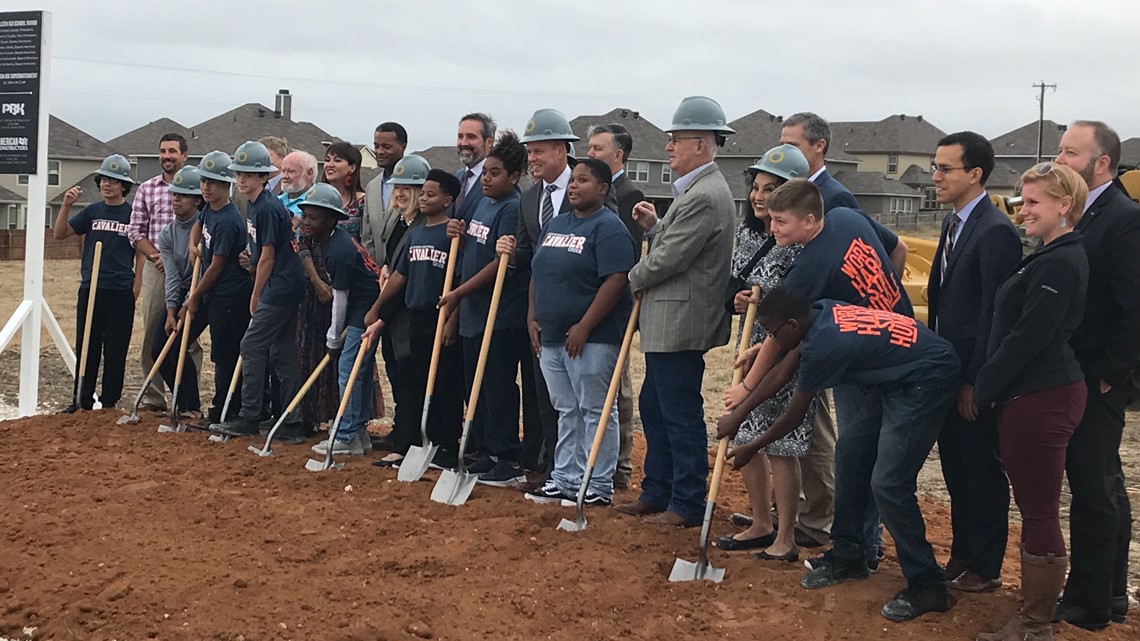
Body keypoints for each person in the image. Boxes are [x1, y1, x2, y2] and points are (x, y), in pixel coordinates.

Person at [717, 287, 960, 622]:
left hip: (926, 378)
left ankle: (927, 582)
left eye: (773, 333)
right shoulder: (819, 312)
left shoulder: (826, 343)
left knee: (888, 483)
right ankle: (848, 555)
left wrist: (752, 446)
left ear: (790, 325)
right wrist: (739, 413)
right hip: (895, 377)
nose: (771, 340)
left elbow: (793, 415)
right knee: (849, 455)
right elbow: (782, 371)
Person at [726, 178, 912, 571]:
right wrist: (874, 314)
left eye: (781, 222)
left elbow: (781, 339)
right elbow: (899, 248)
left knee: (863, 457)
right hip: (892, 338)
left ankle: (860, 549)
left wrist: (745, 386)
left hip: (878, 363)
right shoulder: (847, 216)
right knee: (861, 453)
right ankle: (860, 545)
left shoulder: (809, 265)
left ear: (809, 221)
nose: (772, 228)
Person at [777, 111, 911, 549]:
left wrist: (871, 311)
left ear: (819, 148)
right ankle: (838, 532)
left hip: (859, 347)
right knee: (836, 438)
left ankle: (861, 543)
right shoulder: (789, 197)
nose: (783, 153)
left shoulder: (835, 200)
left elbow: (896, 247)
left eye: (794, 145)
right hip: (832, 338)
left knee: (857, 446)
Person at [971, 162, 1090, 641]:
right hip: (1031, 394)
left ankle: (1035, 624)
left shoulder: (1061, 260)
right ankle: (1033, 615)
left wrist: (984, 387)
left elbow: (1029, 338)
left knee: (1039, 511)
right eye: (1022, 202)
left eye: (1034, 202)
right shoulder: (1049, 254)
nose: (1024, 211)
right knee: (1034, 506)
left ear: (1065, 205)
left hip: (1043, 397)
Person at [611, 96, 736, 527]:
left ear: (699, 145)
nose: (668, 147)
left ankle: (686, 501)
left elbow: (670, 260)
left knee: (677, 412)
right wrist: (656, 228)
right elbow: (677, 245)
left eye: (675, 139)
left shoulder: (705, 194)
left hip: (681, 321)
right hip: (672, 318)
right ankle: (658, 490)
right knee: (655, 405)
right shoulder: (700, 191)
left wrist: (630, 276)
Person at [500, 157, 636, 506]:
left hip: (593, 339)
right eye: (573, 180)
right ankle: (566, 477)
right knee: (566, 409)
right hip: (551, 336)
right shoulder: (556, 224)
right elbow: (538, 272)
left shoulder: (609, 228)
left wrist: (585, 326)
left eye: (584, 180)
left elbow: (616, 280)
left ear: (603, 188)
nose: (574, 186)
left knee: (594, 410)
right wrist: (532, 316)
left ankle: (597, 484)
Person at [926, 132, 1023, 593]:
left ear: (975, 174)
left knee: (981, 472)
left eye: (945, 168)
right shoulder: (952, 223)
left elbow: (995, 316)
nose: (936, 176)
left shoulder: (996, 231)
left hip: (973, 378)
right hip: (947, 371)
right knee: (955, 469)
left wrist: (974, 382)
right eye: (935, 166)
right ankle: (961, 554)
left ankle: (985, 567)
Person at [1053, 120, 1140, 630]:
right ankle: (1108, 594)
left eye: (1070, 152)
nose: (1060, 159)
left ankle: (1088, 601)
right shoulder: (1081, 213)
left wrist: (1111, 374)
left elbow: (1134, 306)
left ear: (1100, 163)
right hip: (1078, 371)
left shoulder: (1124, 219)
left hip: (1099, 376)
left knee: (1092, 487)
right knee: (1104, 482)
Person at [715, 144, 815, 561]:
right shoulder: (750, 235)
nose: (759, 197)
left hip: (783, 350)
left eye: (770, 189)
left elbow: (797, 307)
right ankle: (760, 521)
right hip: (748, 342)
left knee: (780, 443)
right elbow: (732, 286)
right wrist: (737, 300)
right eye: (756, 187)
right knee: (744, 432)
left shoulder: (798, 243)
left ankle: (786, 535)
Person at [438, 130, 530, 487]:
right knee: (477, 386)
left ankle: (508, 457)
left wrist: (459, 292)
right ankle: (488, 450)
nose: (488, 179)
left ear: (513, 176)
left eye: (496, 173)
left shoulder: (511, 207)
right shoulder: (482, 203)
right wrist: (456, 230)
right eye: (486, 172)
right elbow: (472, 249)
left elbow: (499, 264)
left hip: (500, 313)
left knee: (497, 385)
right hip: (474, 313)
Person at [362, 169, 464, 468]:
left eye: (431, 194)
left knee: (444, 384)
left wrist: (452, 320)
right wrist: (377, 307)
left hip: (440, 316)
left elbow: (459, 281)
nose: (424, 199)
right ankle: (420, 441)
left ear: (447, 201)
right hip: (415, 317)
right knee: (417, 381)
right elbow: (399, 276)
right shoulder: (416, 233)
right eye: (425, 193)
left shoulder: (452, 236)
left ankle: (446, 445)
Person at [211, 141, 305, 441]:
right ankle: (292, 420)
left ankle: (250, 416)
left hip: (280, 288)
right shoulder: (254, 204)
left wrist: (255, 294)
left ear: (264, 177)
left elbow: (268, 256)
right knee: (282, 353)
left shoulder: (266, 207)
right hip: (280, 286)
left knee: (251, 346)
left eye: (249, 175)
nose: (242, 180)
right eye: (239, 174)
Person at [513, 108, 578, 480]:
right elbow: (529, 255)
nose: (532, 159)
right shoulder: (529, 198)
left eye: (539, 151)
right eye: (529, 152)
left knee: (581, 402)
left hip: (581, 312)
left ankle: (586, 472)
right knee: (546, 395)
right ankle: (552, 467)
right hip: (542, 309)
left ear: (561, 150)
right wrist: (507, 252)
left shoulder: (589, 185)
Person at [300, 184, 383, 457]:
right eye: (305, 215)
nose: (306, 222)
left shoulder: (339, 250)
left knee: (349, 369)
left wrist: (333, 339)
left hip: (367, 307)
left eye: (314, 217)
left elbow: (340, 300)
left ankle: (346, 435)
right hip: (357, 305)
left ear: (331, 220)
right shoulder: (319, 240)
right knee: (354, 371)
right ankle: (358, 433)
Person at [586, 122, 646, 490]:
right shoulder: (591, 185)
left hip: (615, 304)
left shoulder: (628, 193)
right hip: (586, 301)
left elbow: (625, 254)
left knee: (617, 388)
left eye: (597, 148)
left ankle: (620, 466)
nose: (590, 153)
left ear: (618, 155)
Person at [53, 154, 137, 413]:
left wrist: (138, 285)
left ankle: (110, 402)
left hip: (121, 289)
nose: (106, 185)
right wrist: (66, 205)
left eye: (113, 181)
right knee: (87, 345)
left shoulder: (132, 214)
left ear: (124, 186)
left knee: (115, 348)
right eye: (103, 180)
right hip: (91, 288)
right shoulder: (92, 211)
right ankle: (82, 399)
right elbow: (59, 234)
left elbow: (142, 252)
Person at [363, 154, 431, 465]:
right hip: (393, 312)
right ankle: (401, 435)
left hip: (406, 314)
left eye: (409, 188)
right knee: (397, 374)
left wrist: (380, 314)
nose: (401, 193)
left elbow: (407, 276)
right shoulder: (398, 223)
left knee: (408, 379)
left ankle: (408, 443)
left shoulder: (420, 227)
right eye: (398, 187)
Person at [128, 133, 199, 413]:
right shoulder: (147, 188)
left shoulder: (197, 188)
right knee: (154, 332)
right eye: (162, 151)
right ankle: (154, 396)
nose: (166, 156)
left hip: (191, 269)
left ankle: (186, 399)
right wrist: (157, 256)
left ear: (184, 155)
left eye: (172, 151)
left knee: (187, 337)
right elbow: (135, 231)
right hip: (157, 266)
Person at [184, 151, 252, 423]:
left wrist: (194, 296)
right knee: (195, 346)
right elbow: (199, 223)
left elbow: (217, 266)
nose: (206, 187)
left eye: (213, 182)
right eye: (203, 181)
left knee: (225, 356)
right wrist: (194, 243)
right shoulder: (208, 209)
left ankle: (225, 410)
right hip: (213, 292)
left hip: (229, 296)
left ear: (226, 185)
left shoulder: (228, 220)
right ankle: (200, 404)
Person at [151, 165, 206, 420]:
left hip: (204, 291)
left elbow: (205, 272)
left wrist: (189, 303)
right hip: (182, 290)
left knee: (179, 345)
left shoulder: (204, 228)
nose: (176, 200)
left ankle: (191, 406)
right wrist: (172, 310)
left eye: (183, 195)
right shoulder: (168, 234)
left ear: (197, 200)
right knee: (159, 347)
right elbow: (172, 276)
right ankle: (183, 403)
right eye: (174, 194)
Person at [362, 122, 408, 265]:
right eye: (376, 146)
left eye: (386, 147)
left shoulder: (415, 186)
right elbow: (367, 236)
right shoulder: (372, 187)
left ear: (403, 147)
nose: (380, 151)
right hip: (376, 277)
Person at [321, 142, 367, 241]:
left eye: (337, 160)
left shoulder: (363, 202)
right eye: (327, 160)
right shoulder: (317, 198)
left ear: (352, 168)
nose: (330, 165)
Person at [454, 113, 495, 223]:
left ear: (489, 142)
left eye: (471, 137)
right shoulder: (455, 178)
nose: (464, 143)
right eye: (460, 136)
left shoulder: (498, 183)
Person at [278, 150, 319, 221]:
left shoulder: (318, 202)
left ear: (309, 173)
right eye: (283, 171)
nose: (284, 176)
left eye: (291, 171)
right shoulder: (276, 200)